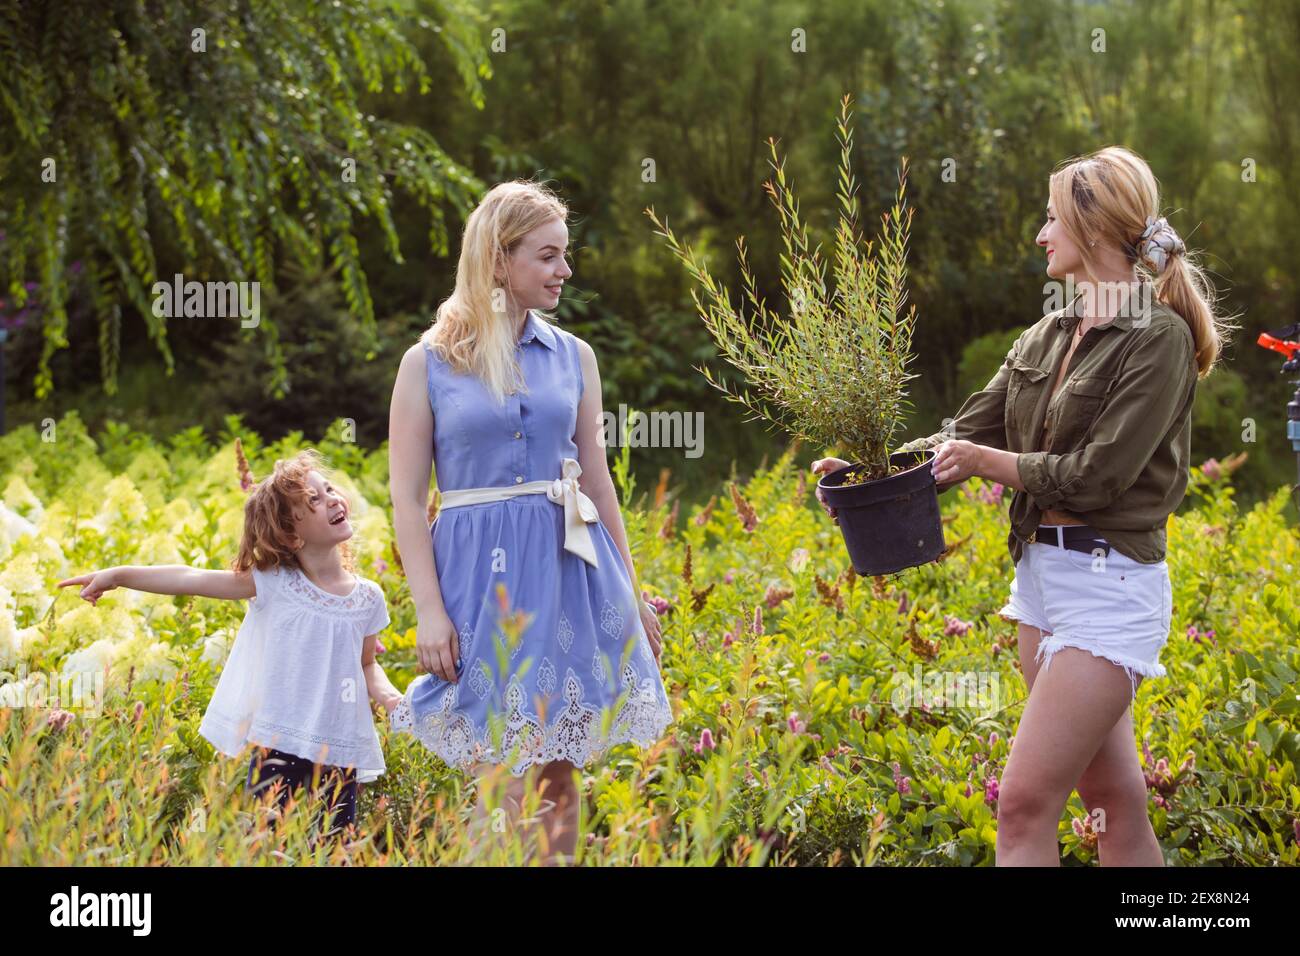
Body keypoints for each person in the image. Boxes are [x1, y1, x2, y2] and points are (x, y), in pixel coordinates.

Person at [813, 146, 1233, 866]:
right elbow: (962, 434)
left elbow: (1098, 478)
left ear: (1093, 227)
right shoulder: (1045, 333)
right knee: (1113, 805)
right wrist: (867, 475)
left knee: (1023, 807)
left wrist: (988, 466)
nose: (1040, 235)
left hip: (1110, 589)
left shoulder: (1156, 340)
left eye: (1050, 219)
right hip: (1042, 583)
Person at [386, 179, 674, 865]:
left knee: (559, 764)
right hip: (479, 581)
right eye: (548, 257)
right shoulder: (427, 363)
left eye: (564, 256)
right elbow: (404, 496)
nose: (565, 272)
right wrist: (428, 609)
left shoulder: (575, 357)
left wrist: (630, 592)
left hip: (569, 569)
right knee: (499, 765)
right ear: (497, 259)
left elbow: (598, 481)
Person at [58, 449, 400, 841]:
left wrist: (391, 699)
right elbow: (189, 576)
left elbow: (366, 664)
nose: (333, 500)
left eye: (328, 489)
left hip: (340, 751)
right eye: (314, 501)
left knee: (335, 850)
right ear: (292, 533)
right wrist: (116, 575)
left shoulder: (368, 598)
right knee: (264, 847)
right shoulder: (274, 583)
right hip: (278, 746)